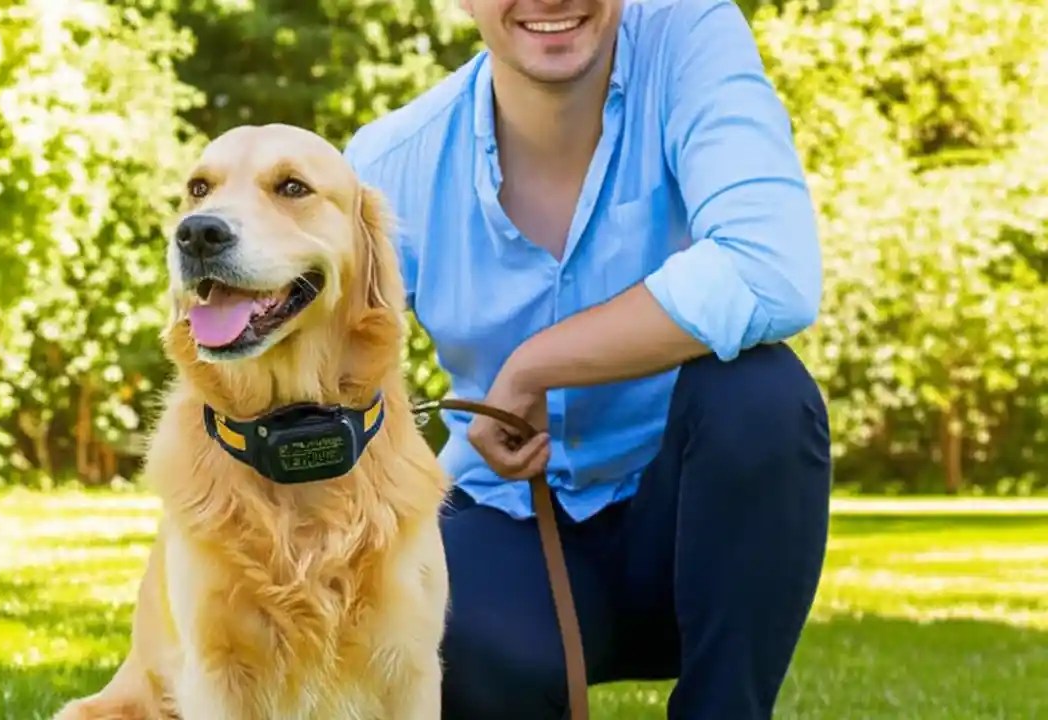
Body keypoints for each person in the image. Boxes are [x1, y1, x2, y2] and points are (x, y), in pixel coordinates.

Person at [342, 0, 832, 717]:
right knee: (431, 625)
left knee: (762, 394)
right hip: (507, 528)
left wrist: (537, 363)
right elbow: (326, 384)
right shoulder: (390, 165)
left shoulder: (690, 39)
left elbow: (770, 269)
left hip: (693, 527)